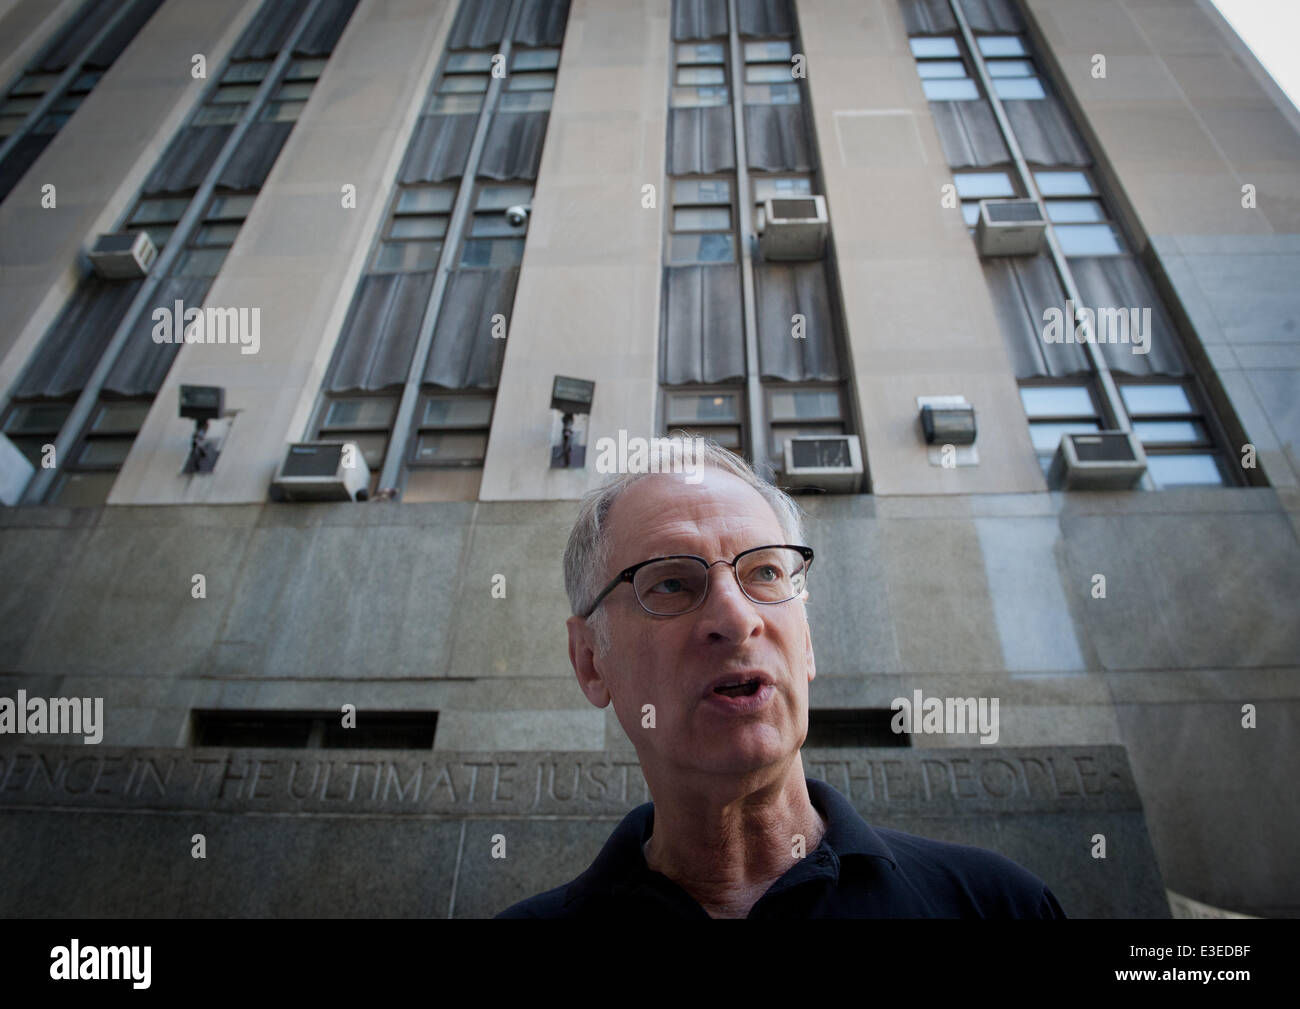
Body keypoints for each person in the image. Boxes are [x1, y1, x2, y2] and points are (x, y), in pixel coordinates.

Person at [497, 438, 1066, 919]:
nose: (737, 619)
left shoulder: (998, 905)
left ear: (808, 641)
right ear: (591, 661)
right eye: (670, 583)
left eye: (764, 572)